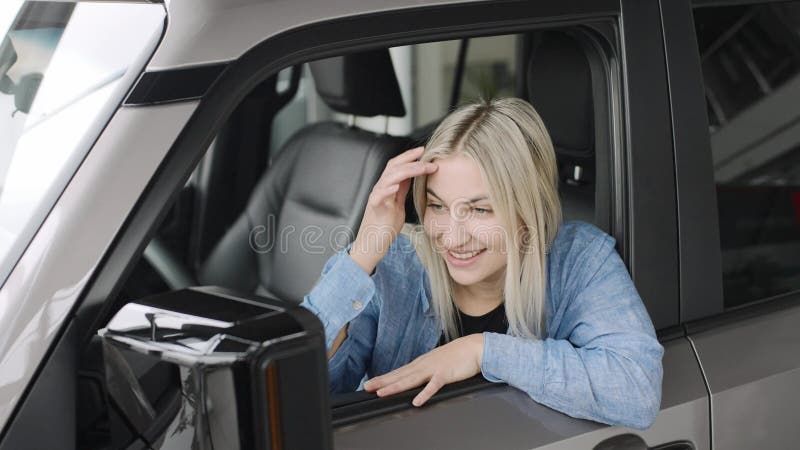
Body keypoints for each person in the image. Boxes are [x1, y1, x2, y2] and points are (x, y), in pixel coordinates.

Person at [300, 97, 663, 430]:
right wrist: (363, 254)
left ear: (528, 210)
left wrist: (482, 351)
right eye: (437, 206)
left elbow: (637, 389)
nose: (452, 238)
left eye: (480, 210)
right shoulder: (397, 263)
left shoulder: (579, 260)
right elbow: (307, 389)